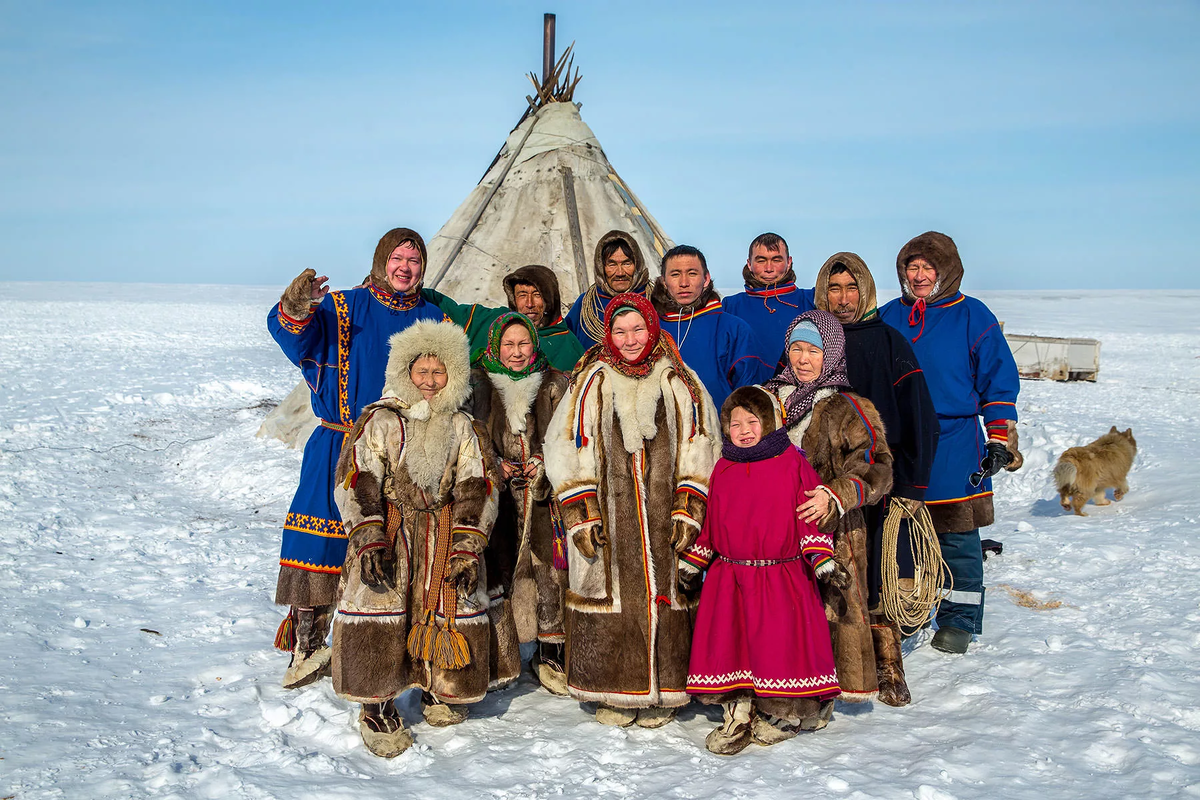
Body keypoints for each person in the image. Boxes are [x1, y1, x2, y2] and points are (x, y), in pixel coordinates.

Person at [267, 227, 448, 689]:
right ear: (381, 260)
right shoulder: (344, 306)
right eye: (398, 259)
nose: (406, 268)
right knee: (320, 543)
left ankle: (374, 647)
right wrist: (297, 305)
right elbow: (294, 335)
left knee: (386, 551)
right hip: (339, 444)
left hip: (401, 452)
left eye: (415, 261)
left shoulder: (432, 314)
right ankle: (307, 647)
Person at [544, 293, 721, 728]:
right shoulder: (592, 381)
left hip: (667, 515)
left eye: (637, 329)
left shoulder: (680, 381)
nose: (628, 339)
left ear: (652, 328)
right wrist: (581, 509)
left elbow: (703, 442)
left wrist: (690, 503)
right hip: (608, 512)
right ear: (608, 332)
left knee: (668, 591)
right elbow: (564, 445)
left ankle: (665, 687)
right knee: (610, 593)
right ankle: (614, 689)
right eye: (620, 330)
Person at [331, 320, 499, 757]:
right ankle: (376, 702)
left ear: (454, 375)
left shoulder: (463, 425)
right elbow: (357, 475)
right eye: (420, 371)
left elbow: (478, 482)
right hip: (390, 528)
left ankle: (436, 685)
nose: (428, 381)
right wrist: (368, 534)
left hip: (443, 529)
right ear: (404, 372)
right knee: (384, 606)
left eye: (438, 372)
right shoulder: (382, 419)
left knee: (443, 601)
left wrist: (467, 541)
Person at [879, 232, 1022, 654]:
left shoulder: (973, 316)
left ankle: (959, 619)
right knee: (901, 533)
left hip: (955, 440)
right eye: (912, 267)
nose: (919, 276)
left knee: (957, 536)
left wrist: (999, 437)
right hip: (902, 440)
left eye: (928, 268)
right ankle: (909, 608)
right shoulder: (888, 316)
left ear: (947, 270)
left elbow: (998, 380)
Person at [682, 386, 843, 755]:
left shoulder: (791, 462)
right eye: (735, 423)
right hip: (730, 576)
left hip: (780, 576)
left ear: (769, 422)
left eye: (752, 421)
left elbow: (809, 517)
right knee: (732, 645)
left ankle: (781, 712)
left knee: (778, 647)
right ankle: (736, 711)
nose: (744, 429)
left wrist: (820, 558)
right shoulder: (723, 465)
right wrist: (695, 560)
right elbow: (712, 522)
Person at [814, 251, 941, 704]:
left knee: (876, 576)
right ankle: (827, 666)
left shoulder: (889, 342)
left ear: (865, 290)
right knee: (828, 578)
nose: (843, 298)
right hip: (821, 490)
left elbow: (921, 417)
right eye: (834, 288)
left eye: (851, 288)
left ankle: (887, 667)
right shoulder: (811, 343)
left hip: (878, 486)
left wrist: (912, 486)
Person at [762, 310, 895, 728]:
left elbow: (877, 466)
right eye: (796, 349)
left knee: (825, 615)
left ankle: (817, 699)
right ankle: (776, 692)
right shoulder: (766, 400)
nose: (803, 359)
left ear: (831, 354)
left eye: (813, 350)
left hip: (830, 531)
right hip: (773, 533)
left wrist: (836, 494)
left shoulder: (849, 407)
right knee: (780, 617)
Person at [469, 312, 571, 695]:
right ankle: (501, 655)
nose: (516, 352)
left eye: (523, 343)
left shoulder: (554, 384)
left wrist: (544, 463)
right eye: (508, 345)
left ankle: (550, 651)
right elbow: (467, 435)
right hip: (496, 496)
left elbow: (569, 435)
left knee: (548, 571)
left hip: (544, 496)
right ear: (496, 345)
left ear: (535, 344)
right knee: (498, 568)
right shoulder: (478, 385)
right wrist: (495, 464)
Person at [650, 245, 770, 410]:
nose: (684, 283)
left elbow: (750, 399)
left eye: (692, 273)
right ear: (663, 281)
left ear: (706, 279)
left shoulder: (733, 329)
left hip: (719, 432)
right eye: (675, 274)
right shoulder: (649, 330)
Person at [722, 232, 816, 372]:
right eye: (761, 260)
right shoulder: (731, 305)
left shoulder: (810, 299)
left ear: (789, 262)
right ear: (749, 264)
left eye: (776, 260)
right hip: (748, 391)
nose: (769, 268)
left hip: (799, 389)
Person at [563, 230, 653, 350]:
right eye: (612, 265)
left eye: (627, 264)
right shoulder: (585, 304)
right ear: (601, 267)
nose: (620, 273)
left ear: (637, 265)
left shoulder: (655, 300)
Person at [502, 265, 586, 371]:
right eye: (522, 295)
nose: (529, 304)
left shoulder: (569, 350)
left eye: (537, 295)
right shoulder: (503, 334)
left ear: (550, 299)